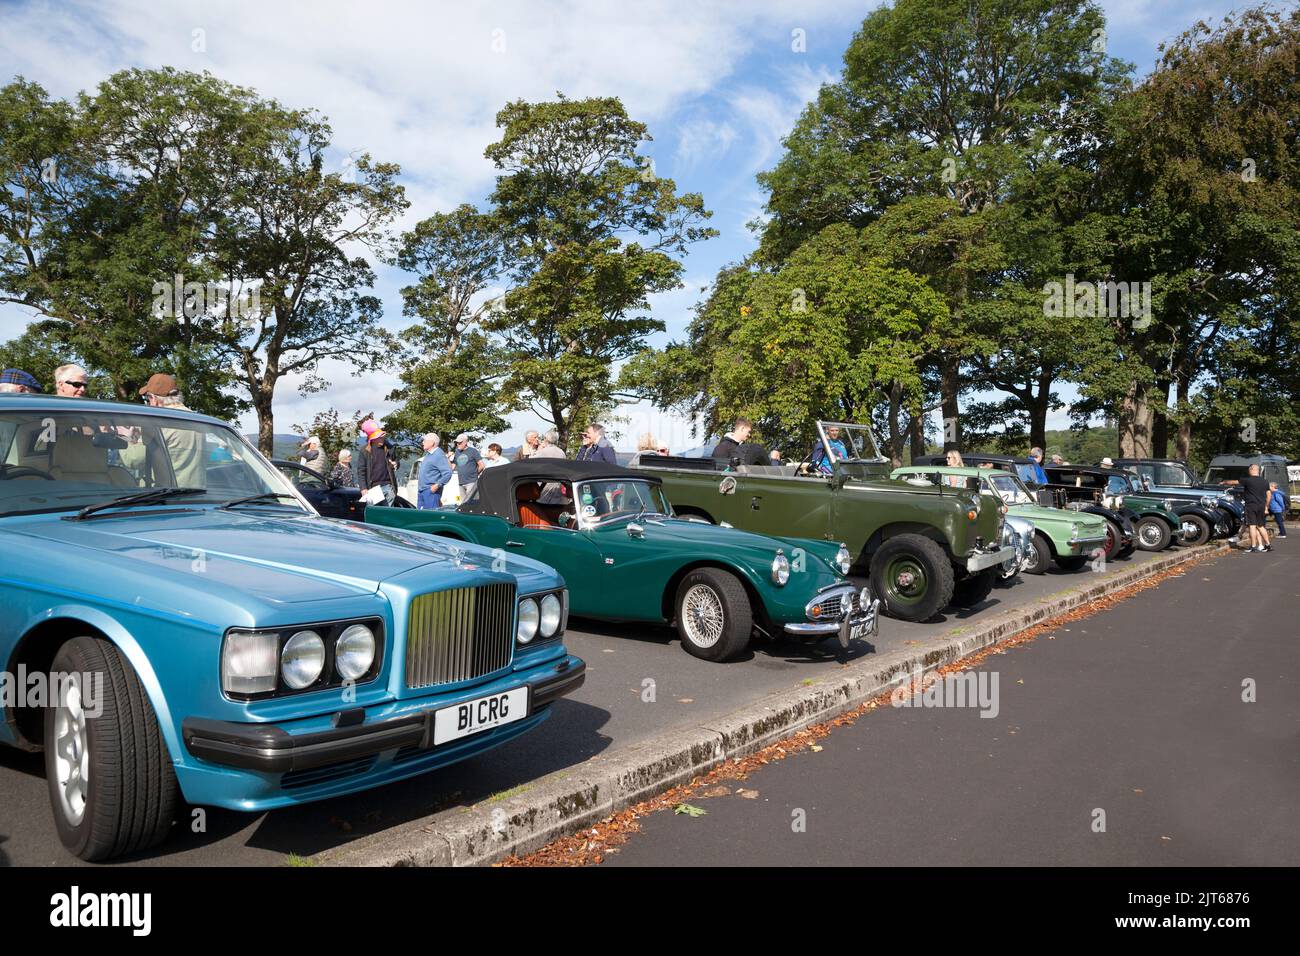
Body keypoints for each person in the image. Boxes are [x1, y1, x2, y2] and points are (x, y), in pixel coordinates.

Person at [138, 373, 206, 488]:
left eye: (147, 399)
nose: (148, 403)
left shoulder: (160, 424)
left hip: (169, 496)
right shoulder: (197, 419)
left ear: (153, 398)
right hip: (199, 495)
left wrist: (127, 436)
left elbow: (135, 460)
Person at [359, 426, 396, 505]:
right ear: (373, 439)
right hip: (372, 488)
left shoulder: (389, 448)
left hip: (388, 486)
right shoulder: (364, 451)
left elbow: (396, 461)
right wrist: (363, 488)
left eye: (382, 437)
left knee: (389, 515)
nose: (382, 439)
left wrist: (395, 464)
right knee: (373, 514)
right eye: (379, 437)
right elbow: (361, 471)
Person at [1240, 463, 1272, 552]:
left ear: (1251, 470)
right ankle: (1268, 545)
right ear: (1258, 471)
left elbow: (1234, 482)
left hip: (1251, 505)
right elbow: (1269, 495)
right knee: (1261, 526)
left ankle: (1253, 546)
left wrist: (1224, 482)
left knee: (1252, 526)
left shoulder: (1247, 480)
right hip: (1261, 505)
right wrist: (1266, 506)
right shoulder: (1265, 481)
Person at [416, 433, 452, 509]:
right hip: (422, 491)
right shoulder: (428, 454)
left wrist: (437, 485)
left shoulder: (439, 454)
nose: (423, 442)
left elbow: (448, 473)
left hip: (431, 492)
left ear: (432, 443)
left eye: (425, 441)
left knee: (430, 517)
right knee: (421, 517)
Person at [451, 433, 483, 499]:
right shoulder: (457, 452)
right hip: (461, 483)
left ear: (465, 442)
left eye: (460, 443)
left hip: (471, 482)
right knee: (463, 505)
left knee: (472, 504)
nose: (458, 444)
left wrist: (475, 474)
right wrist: (447, 458)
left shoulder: (473, 451)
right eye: (457, 443)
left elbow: (481, 465)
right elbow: (452, 467)